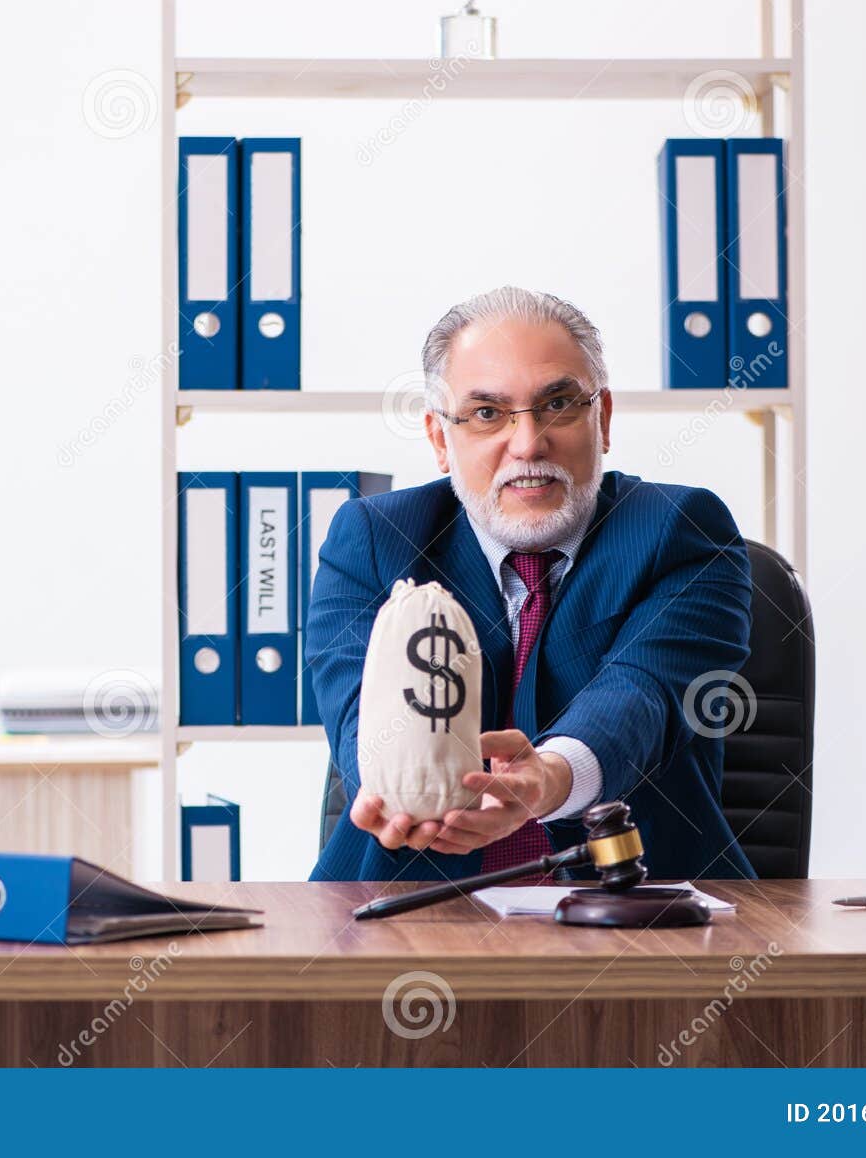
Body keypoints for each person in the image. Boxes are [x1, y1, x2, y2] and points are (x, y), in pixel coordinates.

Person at [307, 286, 756, 883]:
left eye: (558, 404)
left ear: (603, 419)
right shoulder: (374, 539)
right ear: (441, 438)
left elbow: (641, 696)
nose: (527, 444)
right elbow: (363, 713)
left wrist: (548, 777)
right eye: (487, 414)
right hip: (403, 904)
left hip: (642, 917)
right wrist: (397, 796)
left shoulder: (682, 532)